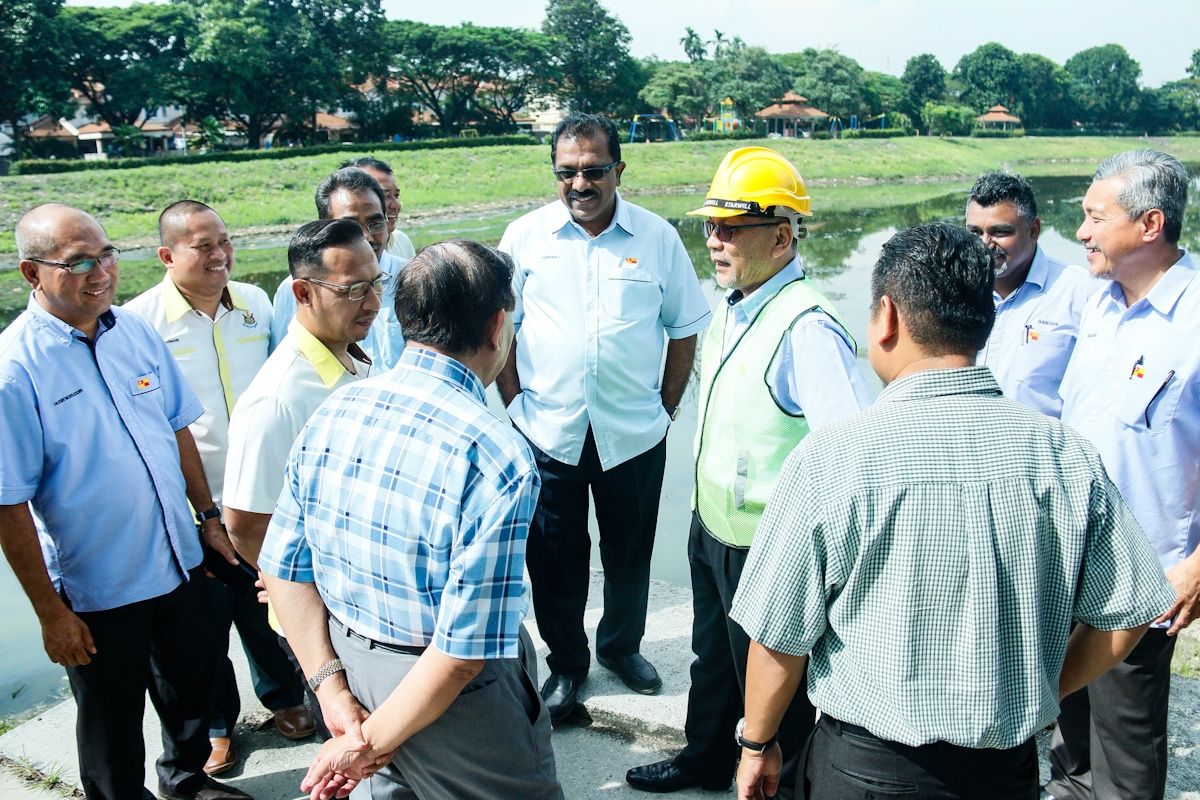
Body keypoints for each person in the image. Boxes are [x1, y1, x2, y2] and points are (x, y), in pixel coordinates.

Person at [729, 222, 1176, 800]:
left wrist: (757, 744)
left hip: (866, 770)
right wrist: (1044, 687)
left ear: (886, 317)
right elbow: (1129, 612)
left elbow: (778, 638)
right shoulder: (1062, 453)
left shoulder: (835, 453)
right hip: (1003, 772)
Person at [261, 240, 562, 800]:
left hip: (349, 662)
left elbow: (281, 569)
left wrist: (333, 694)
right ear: (498, 326)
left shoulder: (339, 408)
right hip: (444, 695)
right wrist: (364, 746)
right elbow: (462, 654)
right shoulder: (496, 454)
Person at [626, 146, 872, 795]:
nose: (715, 239)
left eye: (731, 227)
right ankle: (704, 759)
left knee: (772, 680)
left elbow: (852, 452)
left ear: (783, 235)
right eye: (710, 225)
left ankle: (781, 785)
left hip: (768, 544)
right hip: (714, 529)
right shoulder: (738, 305)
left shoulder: (809, 327)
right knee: (714, 662)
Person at [0, 204, 251, 800]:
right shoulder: (15, 369)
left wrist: (209, 520)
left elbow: (177, 427)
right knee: (110, 716)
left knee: (189, 685)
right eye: (78, 262)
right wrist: (49, 612)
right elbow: (9, 505)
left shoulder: (132, 329)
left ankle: (185, 780)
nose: (100, 272)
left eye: (106, 253)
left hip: (176, 557)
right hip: (98, 584)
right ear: (32, 273)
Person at [497, 112, 712, 721]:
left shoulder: (657, 238)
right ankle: (567, 663)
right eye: (567, 172)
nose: (580, 184)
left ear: (619, 169)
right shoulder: (525, 238)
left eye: (594, 171)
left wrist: (665, 409)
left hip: (635, 432)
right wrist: (514, 403)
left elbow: (684, 329)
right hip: (546, 431)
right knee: (554, 558)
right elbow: (501, 329)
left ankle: (622, 647)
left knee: (629, 551)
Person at [124, 201, 313, 774]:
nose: (219, 255)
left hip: (261, 492)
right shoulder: (140, 324)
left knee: (265, 598)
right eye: (202, 246)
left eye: (224, 242)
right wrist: (198, 510)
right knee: (203, 619)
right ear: (167, 255)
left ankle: (283, 697)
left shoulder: (255, 305)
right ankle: (215, 726)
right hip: (192, 500)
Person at [1049, 149, 1200, 800]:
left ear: (1149, 225)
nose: (1081, 232)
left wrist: (1197, 564)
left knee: (1126, 754)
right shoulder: (1096, 304)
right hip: (1065, 559)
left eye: (1094, 217)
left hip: (1140, 580)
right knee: (1068, 739)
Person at [222, 218, 379, 740]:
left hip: (369, 600)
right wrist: (290, 583)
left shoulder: (352, 358)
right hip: (329, 617)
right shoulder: (279, 400)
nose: (373, 302)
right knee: (360, 740)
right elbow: (244, 523)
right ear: (302, 293)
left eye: (375, 283)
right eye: (353, 289)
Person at [965, 172, 1095, 417]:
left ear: (1034, 229)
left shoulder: (1081, 293)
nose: (985, 244)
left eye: (999, 232)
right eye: (974, 232)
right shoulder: (953, 289)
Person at [269, 168, 406, 367]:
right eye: (351, 227)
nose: (366, 237)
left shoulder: (413, 281)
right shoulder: (300, 289)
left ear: (388, 221)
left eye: (375, 223)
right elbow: (286, 361)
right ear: (324, 227)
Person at [340, 156, 417, 262]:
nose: (395, 205)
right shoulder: (341, 251)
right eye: (383, 196)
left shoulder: (401, 241)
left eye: (396, 195)